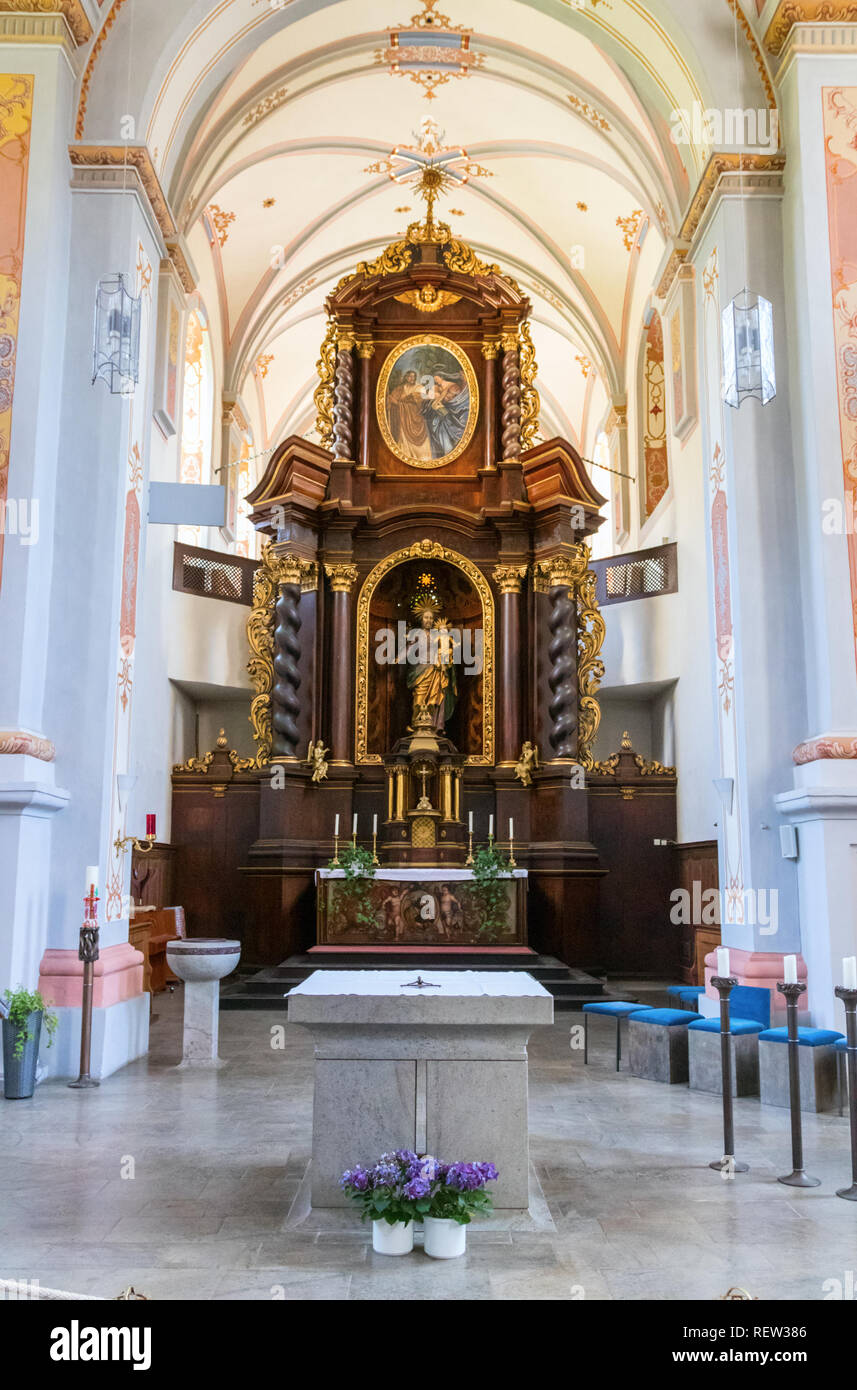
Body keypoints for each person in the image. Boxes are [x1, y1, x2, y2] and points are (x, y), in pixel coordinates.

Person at [387, 369, 433, 461]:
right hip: (403, 419)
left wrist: (398, 403)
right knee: (403, 441)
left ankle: (422, 459)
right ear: (406, 377)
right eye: (410, 376)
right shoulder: (400, 389)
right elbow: (391, 400)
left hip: (417, 418)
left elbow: (422, 405)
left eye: (414, 376)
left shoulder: (420, 388)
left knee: (422, 451)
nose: (412, 378)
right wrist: (392, 401)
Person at [423, 368, 470, 458]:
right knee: (436, 423)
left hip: (451, 410)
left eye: (437, 379)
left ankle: (448, 451)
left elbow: (445, 400)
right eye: (434, 380)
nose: (436, 381)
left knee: (442, 427)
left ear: (441, 377)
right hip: (445, 411)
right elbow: (436, 400)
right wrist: (436, 402)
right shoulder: (438, 387)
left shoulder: (451, 386)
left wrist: (438, 403)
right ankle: (445, 450)